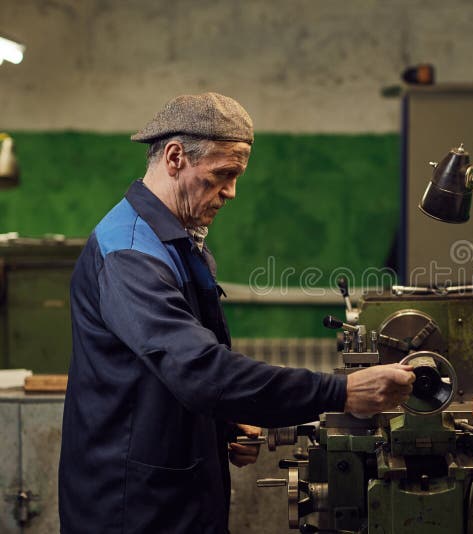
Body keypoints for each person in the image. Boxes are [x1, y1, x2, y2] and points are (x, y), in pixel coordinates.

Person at [58, 92, 415, 533]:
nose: (231, 191)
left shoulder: (173, 240)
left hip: (173, 492)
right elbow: (199, 369)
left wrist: (222, 422)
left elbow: (165, 367)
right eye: (223, 175)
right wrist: (340, 393)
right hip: (132, 507)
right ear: (174, 158)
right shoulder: (130, 254)